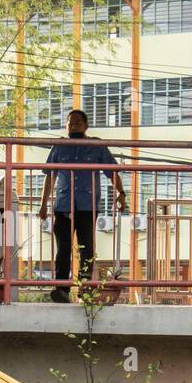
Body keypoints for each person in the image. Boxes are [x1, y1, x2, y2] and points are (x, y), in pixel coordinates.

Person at [38, 109, 128, 303]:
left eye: (78, 122)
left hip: (87, 206)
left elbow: (112, 172)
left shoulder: (96, 146)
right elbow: (50, 176)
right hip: (63, 206)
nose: (73, 126)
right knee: (63, 248)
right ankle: (61, 289)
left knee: (86, 248)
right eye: (70, 123)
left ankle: (85, 288)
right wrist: (43, 204)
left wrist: (121, 194)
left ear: (86, 126)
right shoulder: (59, 146)